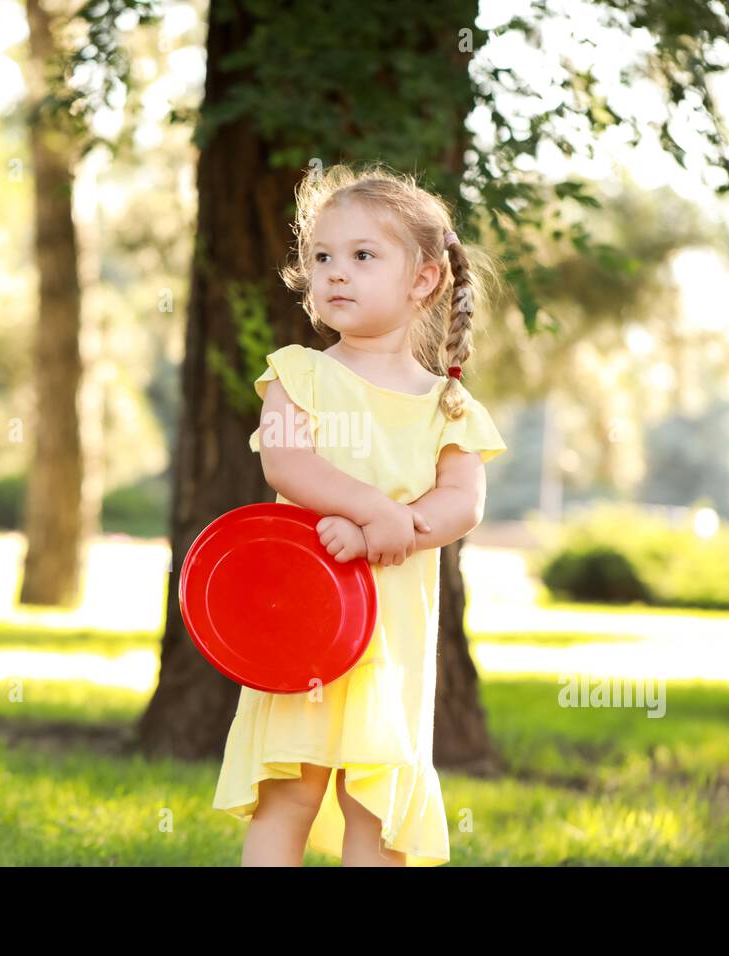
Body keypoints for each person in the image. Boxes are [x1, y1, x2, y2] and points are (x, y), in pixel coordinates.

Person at [211, 163, 508, 866]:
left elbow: (461, 501)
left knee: (375, 805)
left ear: (424, 280)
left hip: (392, 637)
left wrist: (393, 537)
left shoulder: (450, 406)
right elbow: (289, 465)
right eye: (321, 257)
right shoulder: (297, 373)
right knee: (290, 791)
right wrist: (376, 510)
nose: (335, 273)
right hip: (304, 622)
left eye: (362, 256)